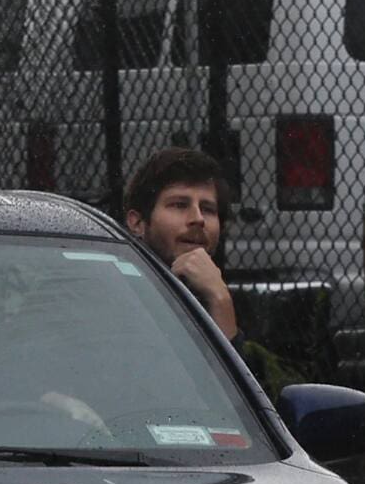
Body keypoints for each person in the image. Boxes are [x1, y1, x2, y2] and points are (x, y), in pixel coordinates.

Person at [122, 147, 291, 395]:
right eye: (179, 205)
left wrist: (220, 301)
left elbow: (244, 404)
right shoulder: (115, 296)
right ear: (137, 222)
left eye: (209, 209)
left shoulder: (219, 298)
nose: (198, 218)